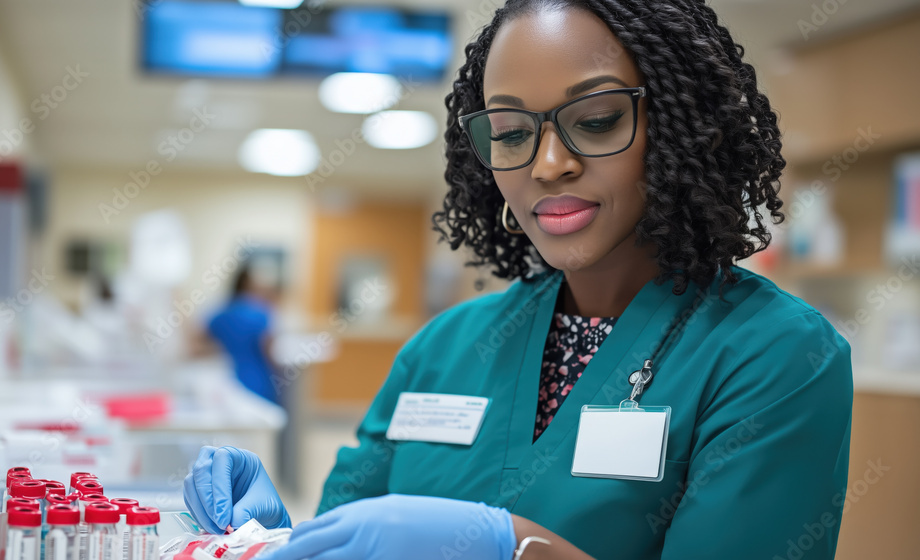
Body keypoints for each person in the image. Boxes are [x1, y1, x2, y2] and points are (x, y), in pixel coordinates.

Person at [182, 1, 854, 558]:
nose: (548, 163)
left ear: (682, 130)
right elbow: (346, 536)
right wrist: (269, 537)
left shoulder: (776, 356)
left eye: (595, 120)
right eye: (510, 132)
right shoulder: (443, 349)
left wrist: (517, 550)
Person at [201, 263, 282, 404]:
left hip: (228, 381)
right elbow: (268, 350)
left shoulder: (219, 315)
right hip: (258, 379)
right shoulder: (261, 314)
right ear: (249, 286)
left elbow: (200, 345)